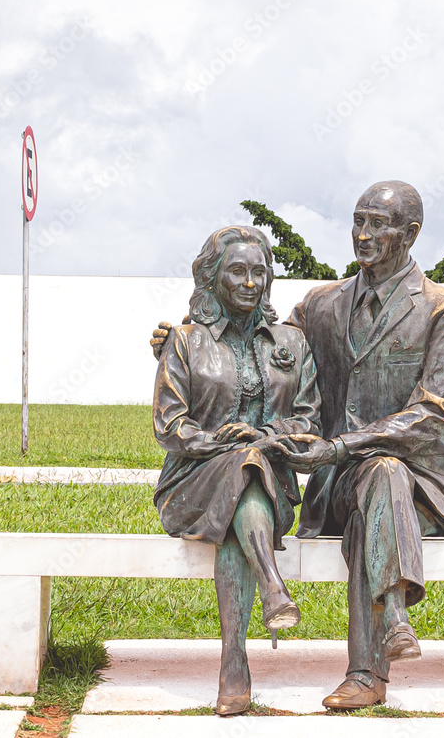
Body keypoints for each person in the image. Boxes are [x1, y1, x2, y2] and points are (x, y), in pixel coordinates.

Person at [152, 181, 444, 711]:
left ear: (411, 234)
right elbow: (256, 338)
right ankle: (392, 619)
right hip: (337, 483)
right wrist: (184, 332)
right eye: (358, 221)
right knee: (374, 480)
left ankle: (374, 660)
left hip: (421, 487)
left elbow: (437, 411)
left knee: (388, 474)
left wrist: (338, 446)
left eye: (379, 224)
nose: (364, 234)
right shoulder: (321, 306)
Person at [152, 225, 321, 716]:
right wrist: (215, 439)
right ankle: (271, 589)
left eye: (258, 272)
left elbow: (310, 417)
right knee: (239, 465)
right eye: (237, 271)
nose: (250, 282)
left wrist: (267, 437)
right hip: (192, 481)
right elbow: (168, 424)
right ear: (214, 278)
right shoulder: (185, 340)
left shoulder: (291, 341)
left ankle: (234, 663)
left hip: (271, 484)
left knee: (248, 471)